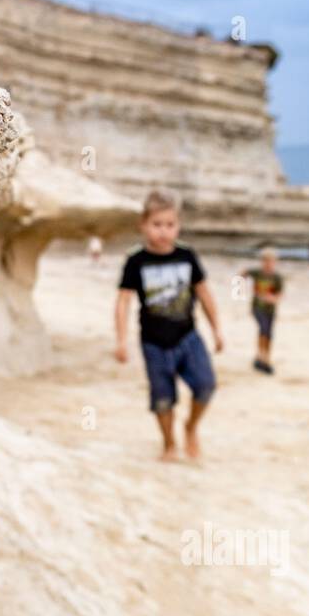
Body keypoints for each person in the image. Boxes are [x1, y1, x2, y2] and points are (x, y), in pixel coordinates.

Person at [115, 188, 223, 461]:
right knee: (162, 399)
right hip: (153, 343)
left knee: (206, 385)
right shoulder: (136, 260)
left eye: (170, 225)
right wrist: (120, 340)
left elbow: (204, 293)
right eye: (157, 224)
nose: (163, 231)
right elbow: (123, 301)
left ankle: (191, 427)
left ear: (178, 226)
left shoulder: (187, 256)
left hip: (188, 336)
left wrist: (217, 329)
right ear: (143, 225)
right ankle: (169, 443)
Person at [243, 247, 284, 374]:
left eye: (271, 261)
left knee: (269, 334)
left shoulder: (277, 277)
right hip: (257, 308)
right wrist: (238, 291)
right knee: (263, 329)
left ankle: (265, 356)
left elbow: (279, 294)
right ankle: (261, 356)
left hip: (270, 309)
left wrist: (273, 299)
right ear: (262, 261)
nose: (268, 264)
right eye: (266, 261)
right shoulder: (257, 272)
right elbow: (242, 274)